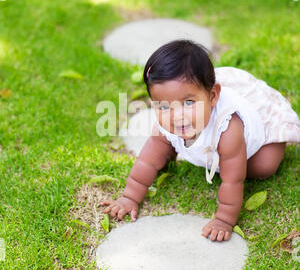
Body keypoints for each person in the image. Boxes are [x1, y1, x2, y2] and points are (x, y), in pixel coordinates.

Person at [100, 39, 300, 242]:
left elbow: (233, 180)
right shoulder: (167, 124)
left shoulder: (228, 129)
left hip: (254, 135)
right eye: (164, 106)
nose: (177, 116)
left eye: (188, 102)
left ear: (212, 96)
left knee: (262, 168)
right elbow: (146, 162)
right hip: (214, 140)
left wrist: (224, 220)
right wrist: (129, 198)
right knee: (159, 148)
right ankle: (172, 148)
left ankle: (275, 143)